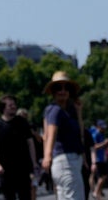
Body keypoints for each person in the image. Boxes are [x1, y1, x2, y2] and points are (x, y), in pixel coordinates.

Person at [40, 71, 86, 200]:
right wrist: (47, 156)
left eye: (67, 88)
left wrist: (79, 112)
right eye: (58, 88)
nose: (63, 91)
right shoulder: (55, 110)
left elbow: (80, 134)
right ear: (53, 91)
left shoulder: (67, 110)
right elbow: (50, 134)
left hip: (67, 161)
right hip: (66, 161)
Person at [0, 94, 35, 200]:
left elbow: (30, 143)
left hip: (23, 168)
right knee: (9, 196)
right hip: (6, 170)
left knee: (26, 196)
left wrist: (33, 162)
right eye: (10, 105)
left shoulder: (22, 122)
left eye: (14, 104)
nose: (14, 107)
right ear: (3, 108)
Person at [87, 120, 108, 200]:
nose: (104, 129)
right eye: (102, 127)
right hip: (97, 159)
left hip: (101, 158)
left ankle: (97, 191)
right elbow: (94, 146)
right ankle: (95, 191)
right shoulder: (95, 134)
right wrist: (104, 143)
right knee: (102, 176)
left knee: (99, 176)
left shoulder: (101, 134)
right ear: (98, 126)